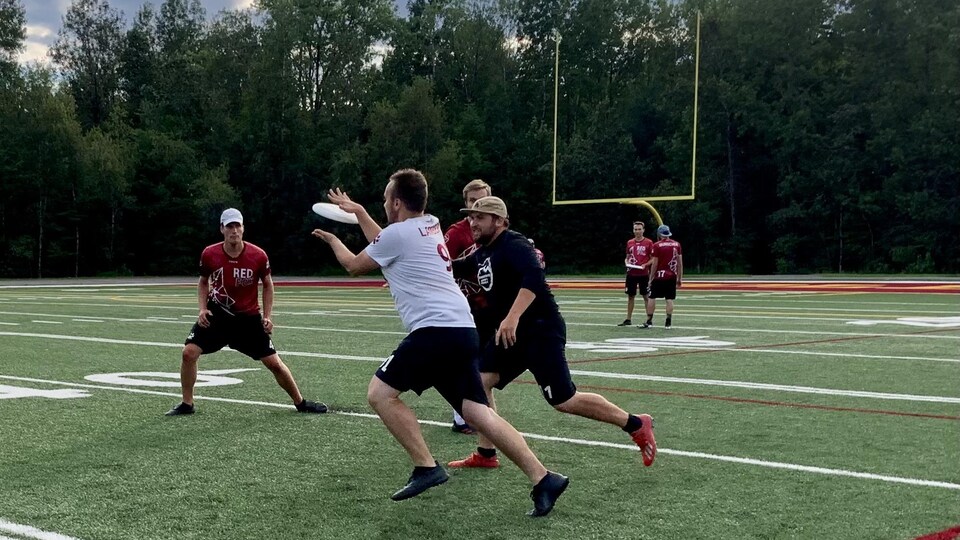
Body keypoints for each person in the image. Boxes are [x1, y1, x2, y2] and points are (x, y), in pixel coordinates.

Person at [311, 170, 568, 517]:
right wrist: (358, 213)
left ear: (397, 203)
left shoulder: (398, 234)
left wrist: (332, 241)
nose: (384, 203)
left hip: (434, 332)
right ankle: (543, 478)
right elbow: (384, 241)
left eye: (387, 198)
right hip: (461, 330)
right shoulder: (428, 223)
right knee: (477, 412)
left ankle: (426, 466)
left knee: (380, 394)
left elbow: (355, 265)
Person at [448, 196, 657, 470]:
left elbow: (534, 276)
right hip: (516, 334)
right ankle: (487, 454)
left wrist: (512, 316)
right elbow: (458, 267)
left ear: (499, 221)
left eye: (479, 217)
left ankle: (636, 423)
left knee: (564, 400)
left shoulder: (513, 244)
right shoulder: (484, 250)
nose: (472, 223)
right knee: (480, 381)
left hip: (540, 330)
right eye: (471, 217)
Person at [165, 208, 328, 416]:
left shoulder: (257, 255)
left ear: (243, 228)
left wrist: (268, 316)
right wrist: (202, 308)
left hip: (248, 319)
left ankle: (300, 402)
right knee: (188, 353)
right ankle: (187, 403)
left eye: (237, 226)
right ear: (222, 229)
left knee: (274, 363)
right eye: (229, 226)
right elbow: (203, 281)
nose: (234, 230)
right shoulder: (209, 254)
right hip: (218, 316)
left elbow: (268, 284)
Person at [443, 178, 493, 435]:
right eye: (472, 201)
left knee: (485, 365)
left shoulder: (494, 227)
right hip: (466, 305)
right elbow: (442, 264)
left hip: (490, 305)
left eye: (481, 200)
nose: (477, 205)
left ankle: (481, 413)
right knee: (467, 362)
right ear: (465, 204)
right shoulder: (456, 232)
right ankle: (462, 416)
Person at [644, 224, 683, 329]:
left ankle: (649, 320)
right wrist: (680, 278)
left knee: (652, 297)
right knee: (669, 298)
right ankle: (668, 321)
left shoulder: (656, 245)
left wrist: (650, 278)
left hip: (659, 276)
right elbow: (680, 263)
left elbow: (655, 263)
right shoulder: (677, 244)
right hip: (672, 275)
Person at [618, 221, 653, 327]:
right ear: (633, 230)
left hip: (643, 273)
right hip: (631, 273)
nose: (637, 231)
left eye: (639, 229)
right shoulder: (630, 242)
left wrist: (645, 264)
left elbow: (653, 259)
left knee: (646, 296)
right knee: (630, 296)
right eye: (635, 229)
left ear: (643, 230)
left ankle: (649, 319)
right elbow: (628, 256)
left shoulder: (649, 242)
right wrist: (626, 262)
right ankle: (628, 318)